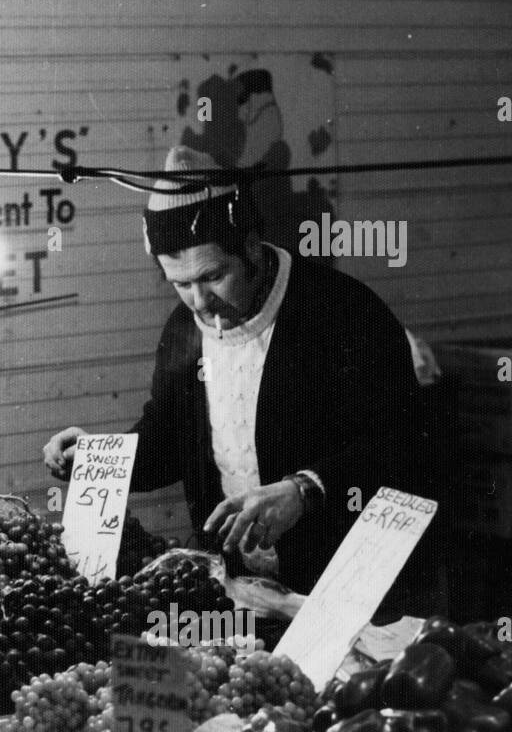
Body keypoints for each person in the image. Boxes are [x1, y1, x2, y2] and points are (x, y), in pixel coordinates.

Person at [44, 146, 428, 602]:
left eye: (213, 276)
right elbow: (168, 440)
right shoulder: (182, 330)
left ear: (250, 246)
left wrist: (305, 490)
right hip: (237, 593)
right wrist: (96, 458)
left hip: (346, 585)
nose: (199, 301)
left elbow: (406, 444)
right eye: (181, 284)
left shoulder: (342, 312)